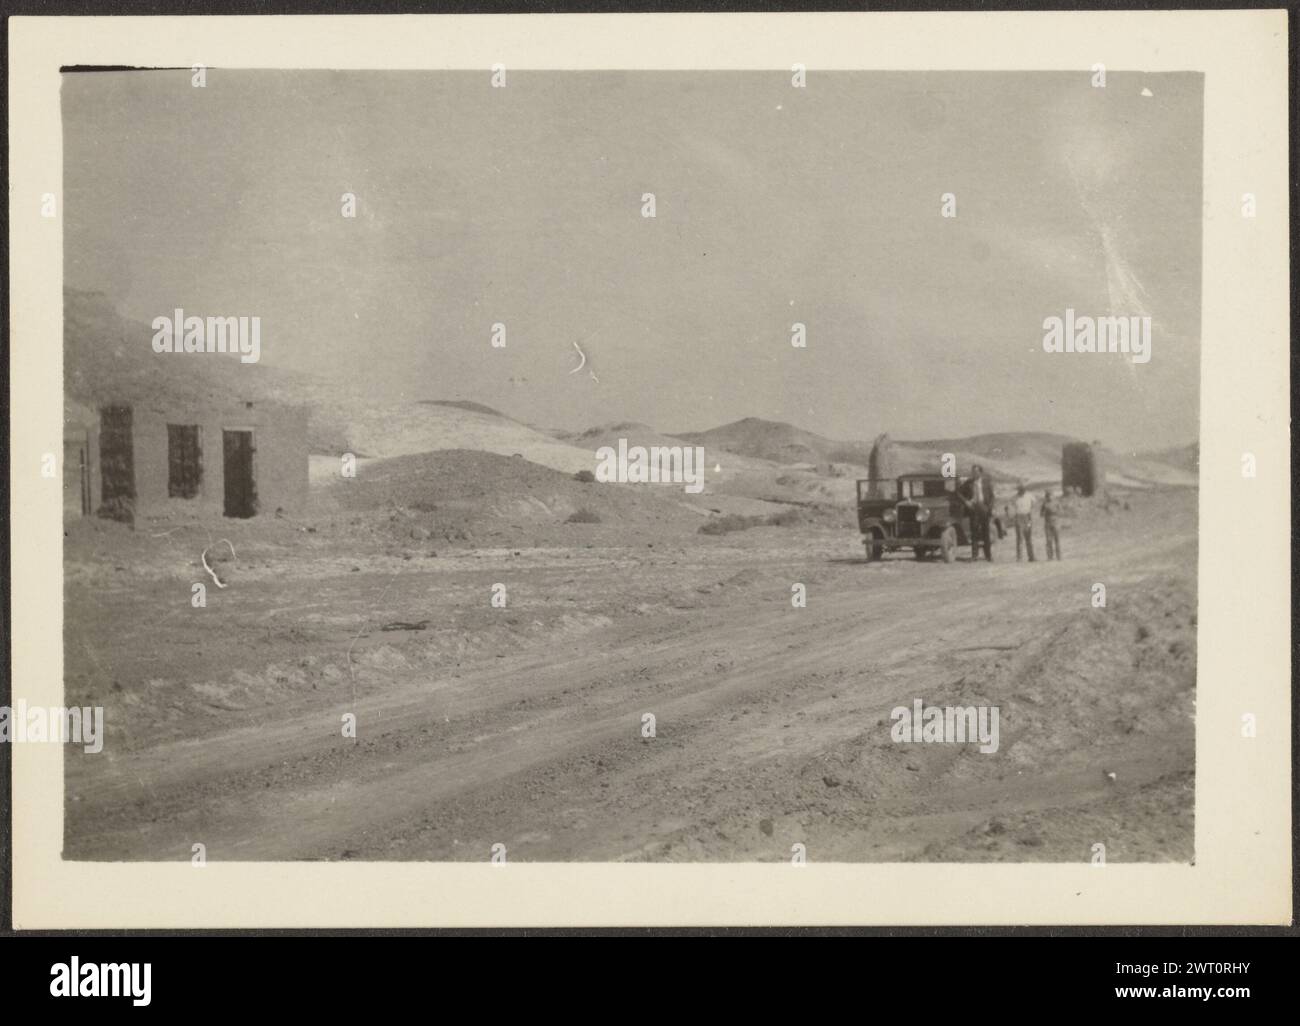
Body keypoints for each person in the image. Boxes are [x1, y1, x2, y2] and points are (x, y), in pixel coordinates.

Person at [959, 465, 995, 562]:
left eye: (976, 472)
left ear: (980, 472)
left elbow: (992, 497)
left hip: (984, 509)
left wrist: (989, 508)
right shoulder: (969, 483)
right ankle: (974, 556)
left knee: (985, 533)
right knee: (974, 533)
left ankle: (988, 556)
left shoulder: (986, 483)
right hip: (973, 509)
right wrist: (966, 502)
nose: (974, 473)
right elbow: (959, 492)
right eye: (973, 472)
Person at [1012, 484, 1036, 561]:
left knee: (1028, 537)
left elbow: (1034, 504)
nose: (1021, 491)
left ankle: (1031, 557)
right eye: (1020, 489)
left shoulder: (1030, 496)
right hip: (1019, 517)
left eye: (1022, 489)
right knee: (1019, 538)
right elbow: (1013, 506)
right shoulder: (1015, 497)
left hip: (1027, 517)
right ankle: (1019, 557)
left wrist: (1030, 512)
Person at [1042, 490, 1062, 560]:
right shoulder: (1045, 504)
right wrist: (1045, 512)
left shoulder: (1057, 502)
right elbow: (1041, 514)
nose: (1050, 497)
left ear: (1053, 496)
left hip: (1056, 522)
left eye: (1051, 495)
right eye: (1048, 496)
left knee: (1057, 539)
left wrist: (1055, 512)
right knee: (1048, 540)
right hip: (1047, 523)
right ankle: (1050, 557)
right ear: (1046, 497)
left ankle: (1059, 556)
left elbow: (1061, 511)